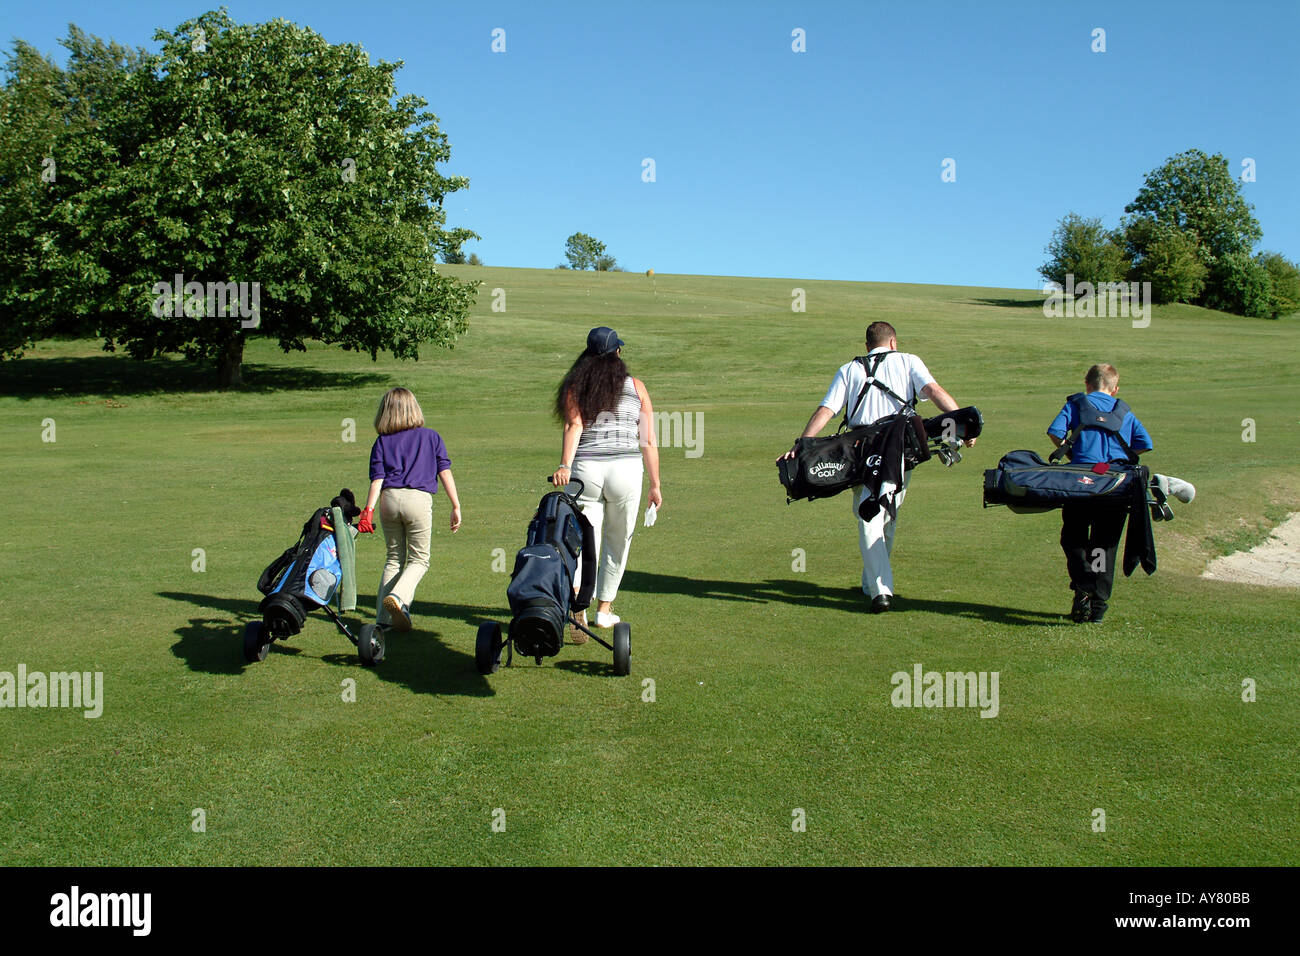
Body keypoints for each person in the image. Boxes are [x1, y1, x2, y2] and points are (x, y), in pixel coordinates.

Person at [777, 321, 973, 614]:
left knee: (873, 516)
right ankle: (879, 589)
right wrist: (962, 425)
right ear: (893, 342)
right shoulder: (909, 361)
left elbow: (827, 411)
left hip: (861, 452)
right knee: (882, 514)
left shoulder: (849, 369)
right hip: (900, 452)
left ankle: (874, 585)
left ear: (867, 345)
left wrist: (802, 444)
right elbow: (933, 390)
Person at [550, 327, 663, 637]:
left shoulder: (576, 385)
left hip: (587, 469)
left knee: (586, 538)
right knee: (619, 539)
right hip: (626, 470)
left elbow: (574, 425)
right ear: (617, 353)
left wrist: (564, 465)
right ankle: (604, 610)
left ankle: (579, 606)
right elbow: (648, 440)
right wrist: (655, 484)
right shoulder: (637, 387)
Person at [1047, 363, 1153, 623]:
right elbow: (1144, 445)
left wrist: (1073, 455)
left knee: (1072, 537)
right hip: (1116, 482)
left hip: (1080, 482)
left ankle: (1083, 582)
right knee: (1104, 545)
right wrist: (1108, 464)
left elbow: (1055, 432)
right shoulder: (1123, 412)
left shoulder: (1075, 404)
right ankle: (1097, 606)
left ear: (1087, 383)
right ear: (1115, 389)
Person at [357, 387, 462, 632]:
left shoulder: (382, 441)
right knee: (419, 560)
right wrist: (455, 505)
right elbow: (444, 471)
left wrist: (368, 511)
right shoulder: (431, 436)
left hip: (389, 500)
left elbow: (377, 480)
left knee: (393, 559)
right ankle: (399, 598)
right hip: (418, 499)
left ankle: (383, 621)